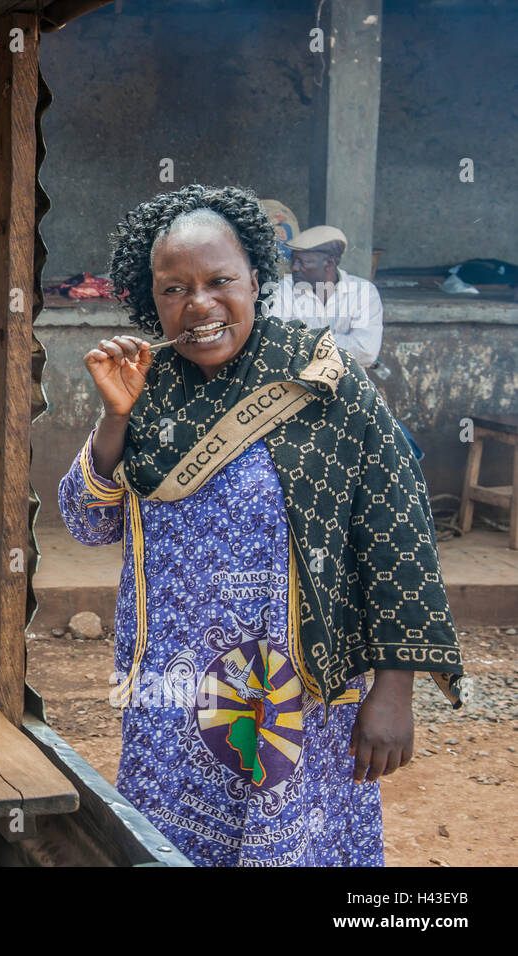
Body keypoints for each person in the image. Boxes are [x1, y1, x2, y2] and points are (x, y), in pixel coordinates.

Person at [58, 185, 466, 866]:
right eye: (174, 289)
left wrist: (395, 688)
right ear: (148, 297)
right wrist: (114, 419)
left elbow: (397, 533)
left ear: (256, 278)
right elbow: (88, 522)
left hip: (301, 695)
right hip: (175, 697)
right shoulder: (144, 385)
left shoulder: (323, 380)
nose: (200, 304)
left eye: (220, 280)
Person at [267, 225, 384, 369]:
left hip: (346, 386)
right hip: (294, 384)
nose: (294, 268)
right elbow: (276, 342)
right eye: (294, 261)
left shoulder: (363, 292)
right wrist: (342, 345)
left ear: (329, 263)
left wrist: (302, 341)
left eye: (303, 262)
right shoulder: (282, 289)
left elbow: (366, 352)